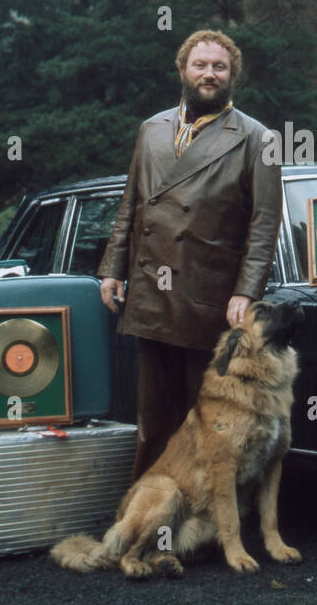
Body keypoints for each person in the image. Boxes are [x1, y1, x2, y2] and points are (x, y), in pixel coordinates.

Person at [98, 30, 283, 480]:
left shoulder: (259, 138)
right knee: (154, 420)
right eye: (200, 65)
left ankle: (198, 529)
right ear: (182, 69)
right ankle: (149, 520)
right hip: (149, 295)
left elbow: (264, 226)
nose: (209, 74)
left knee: (204, 421)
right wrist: (112, 269)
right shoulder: (151, 129)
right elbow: (132, 206)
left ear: (232, 75)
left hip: (210, 298)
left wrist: (246, 291)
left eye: (219, 67)